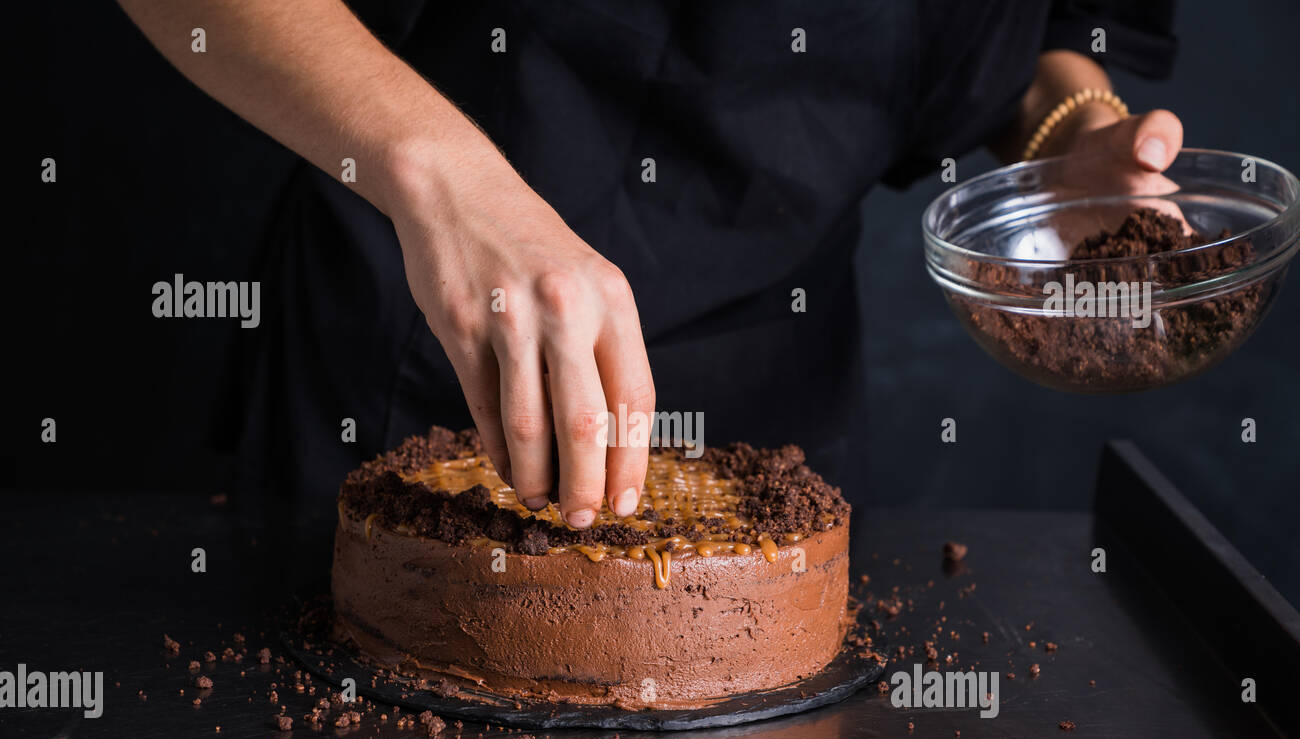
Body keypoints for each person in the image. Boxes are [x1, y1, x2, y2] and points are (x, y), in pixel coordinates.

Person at [118, 0, 1180, 526]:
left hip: (783, 382)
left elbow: (1064, 27)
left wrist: (1070, 136)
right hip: (422, 349)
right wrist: (445, 178)